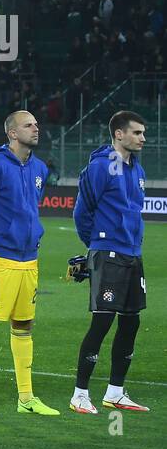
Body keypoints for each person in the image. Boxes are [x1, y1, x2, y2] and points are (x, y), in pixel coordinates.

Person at [0, 110, 59, 419]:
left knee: (24, 325)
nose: (36, 128)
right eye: (28, 125)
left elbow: (32, 207)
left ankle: (26, 397)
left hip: (29, 260)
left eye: (36, 123)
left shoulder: (40, 168)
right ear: (12, 133)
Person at [71, 111, 151, 414]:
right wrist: (97, 246)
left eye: (143, 133)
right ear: (119, 134)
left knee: (132, 322)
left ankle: (115, 392)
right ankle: (79, 394)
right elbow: (82, 211)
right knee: (102, 321)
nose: (143, 138)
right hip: (109, 254)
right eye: (137, 133)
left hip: (133, 254)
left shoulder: (137, 170)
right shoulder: (101, 167)